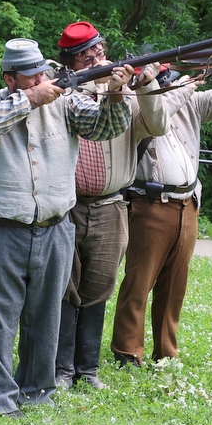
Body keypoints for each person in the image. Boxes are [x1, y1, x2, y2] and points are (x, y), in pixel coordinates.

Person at [0, 38, 133, 416]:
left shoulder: (66, 101)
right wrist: (32, 98)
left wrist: (115, 93)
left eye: (43, 73)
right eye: (31, 77)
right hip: (1, 230)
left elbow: (104, 127)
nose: (41, 80)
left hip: (57, 228)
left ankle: (37, 391)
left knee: (46, 318)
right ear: (10, 79)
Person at [54, 21, 190, 390]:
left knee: (99, 286)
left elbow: (157, 125)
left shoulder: (126, 94)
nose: (98, 60)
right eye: (88, 58)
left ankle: (87, 370)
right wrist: (101, 85)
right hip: (66, 205)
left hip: (111, 205)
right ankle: (62, 370)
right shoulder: (61, 93)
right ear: (70, 63)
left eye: (100, 53)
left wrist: (144, 84)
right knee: (65, 287)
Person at [111, 53, 212, 366]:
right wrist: (164, 89)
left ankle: (165, 352)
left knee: (174, 285)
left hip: (188, 202)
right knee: (139, 282)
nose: (171, 84)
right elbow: (156, 114)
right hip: (149, 202)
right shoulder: (137, 104)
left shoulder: (190, 103)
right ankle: (127, 350)